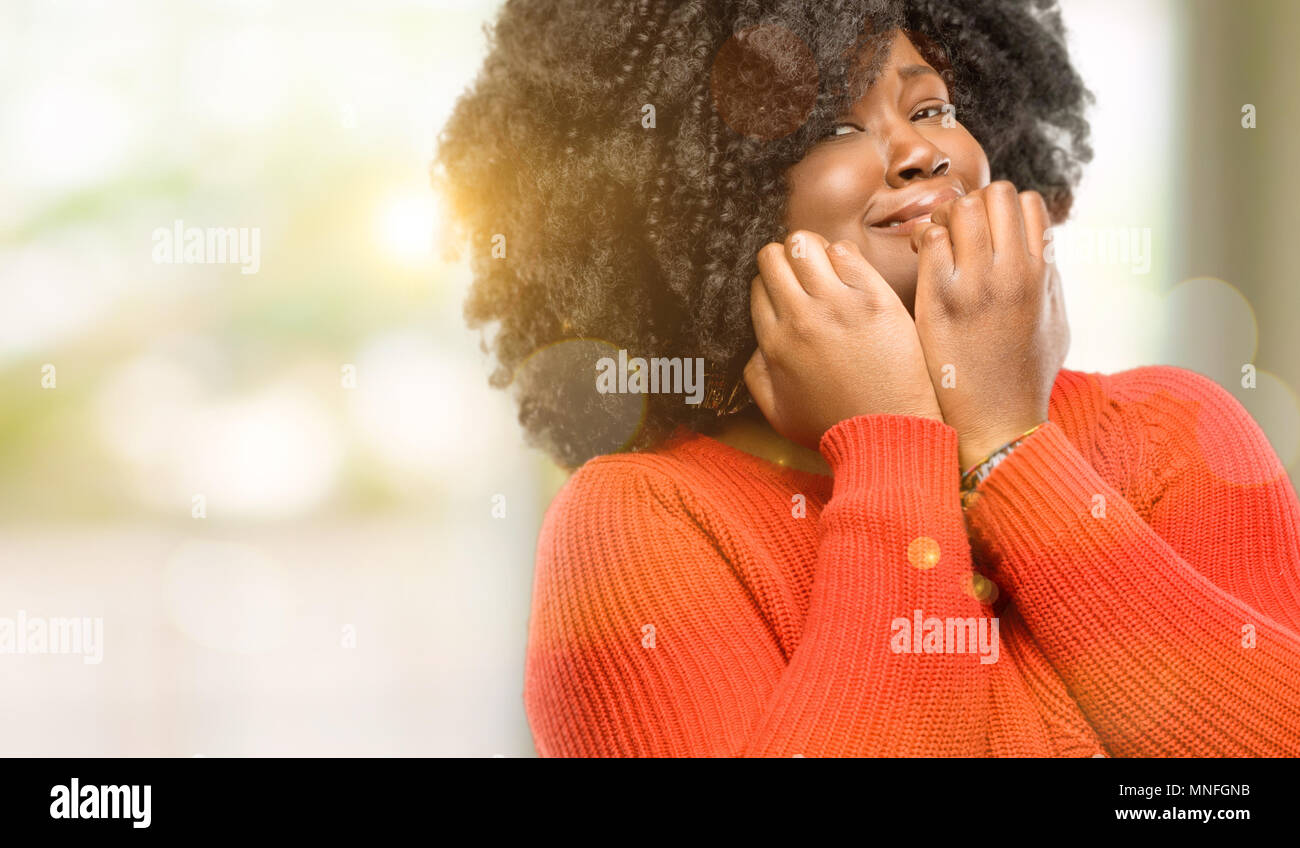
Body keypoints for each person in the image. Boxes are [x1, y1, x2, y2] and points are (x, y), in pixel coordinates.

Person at [436, 0, 1300, 756]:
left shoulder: (1171, 431)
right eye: (833, 131)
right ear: (693, 195)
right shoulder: (635, 528)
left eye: (932, 106)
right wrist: (894, 450)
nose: (920, 152)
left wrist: (1004, 446)